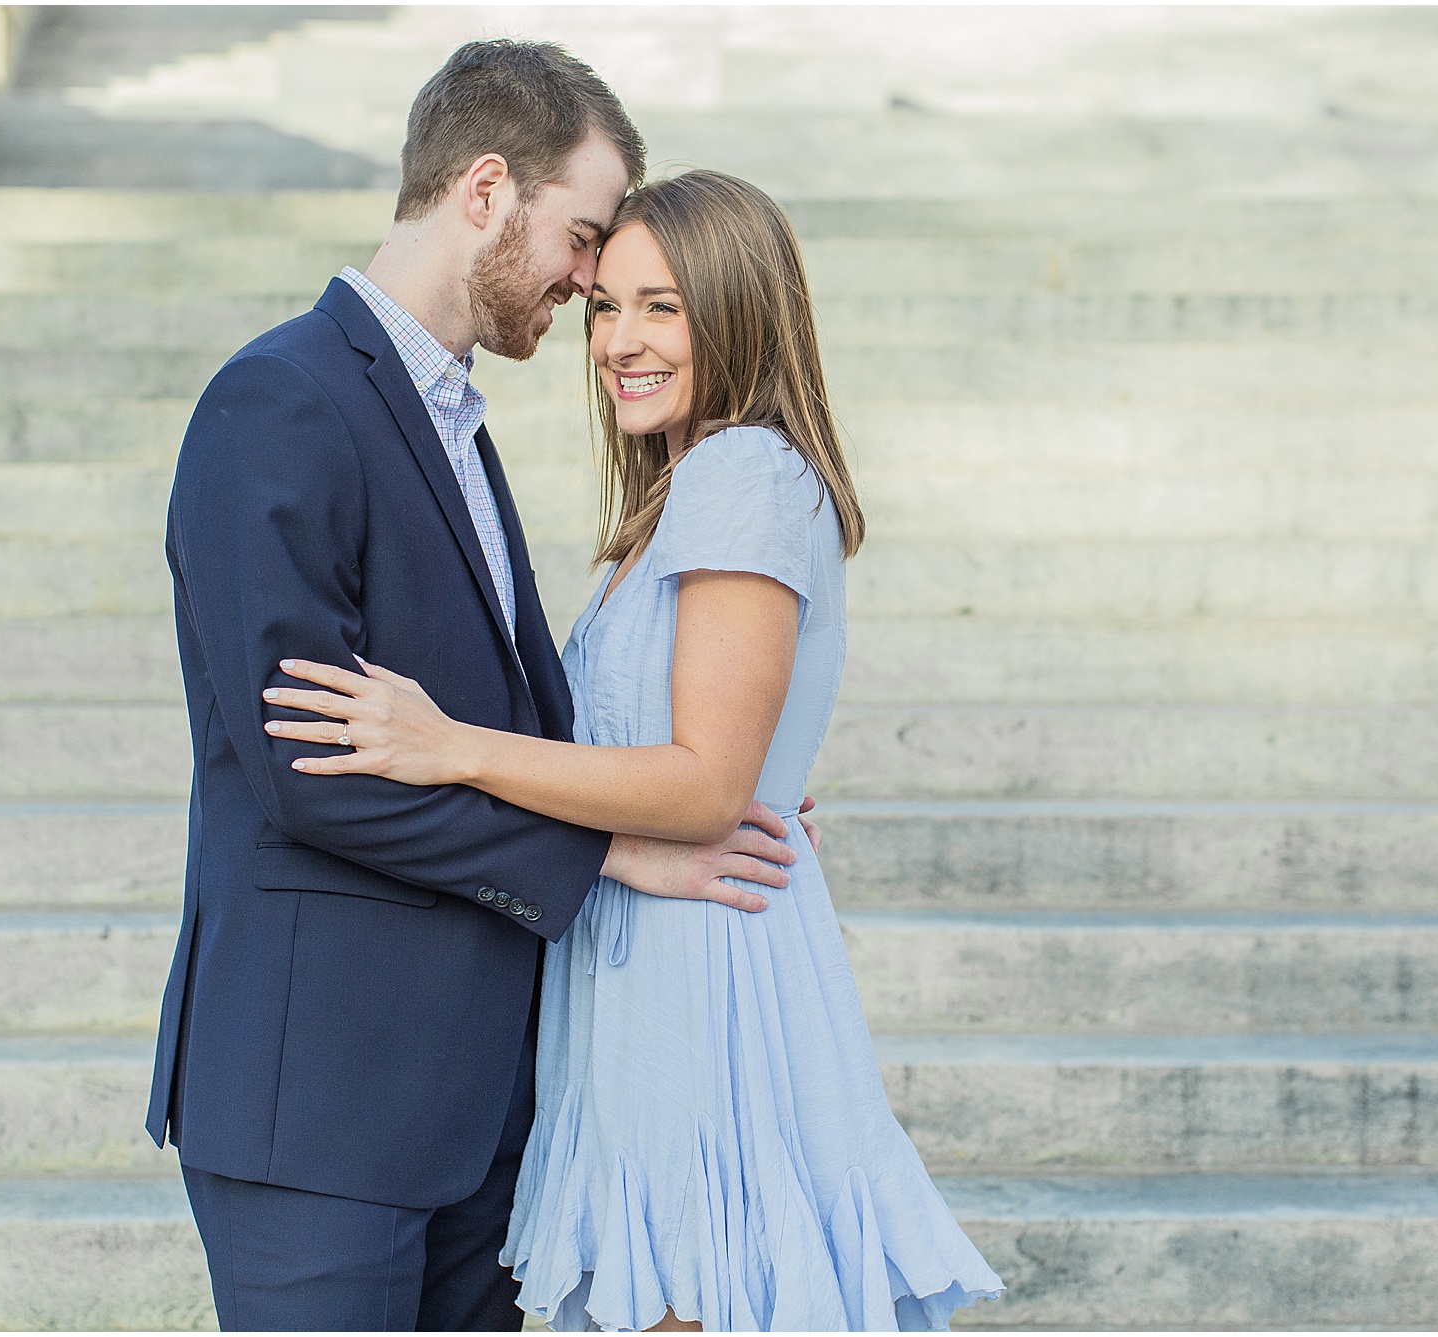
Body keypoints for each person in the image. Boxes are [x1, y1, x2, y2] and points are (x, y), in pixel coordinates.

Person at [148, 42, 815, 1331]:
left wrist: (717, 769)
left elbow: (513, 724)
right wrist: (609, 850)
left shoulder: (455, 421)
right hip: (320, 1109)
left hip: (482, 1113)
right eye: (578, 237)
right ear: (486, 189)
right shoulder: (277, 401)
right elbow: (311, 769)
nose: (586, 281)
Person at [266, 170, 1004, 1331]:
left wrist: (451, 746)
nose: (618, 340)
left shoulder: (738, 474)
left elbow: (704, 783)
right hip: (647, 948)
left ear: (740, 314)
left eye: (661, 307)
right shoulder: (690, 488)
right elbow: (701, 761)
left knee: (682, 1299)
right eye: (604, 306)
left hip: (695, 971)